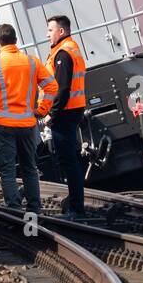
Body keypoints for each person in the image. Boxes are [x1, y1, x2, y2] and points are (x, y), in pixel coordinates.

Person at [0, 23, 57, 213]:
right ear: (15, 40)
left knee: (7, 169)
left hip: (3, 124)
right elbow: (52, 86)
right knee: (30, 167)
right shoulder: (32, 62)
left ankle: (14, 209)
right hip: (27, 124)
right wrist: (41, 110)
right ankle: (34, 208)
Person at [44, 15, 87, 218]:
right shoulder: (70, 47)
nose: (47, 34)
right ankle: (74, 201)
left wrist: (51, 114)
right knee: (71, 159)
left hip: (65, 112)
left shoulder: (63, 53)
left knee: (68, 161)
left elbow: (62, 89)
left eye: (50, 30)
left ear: (61, 31)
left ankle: (76, 208)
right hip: (73, 109)